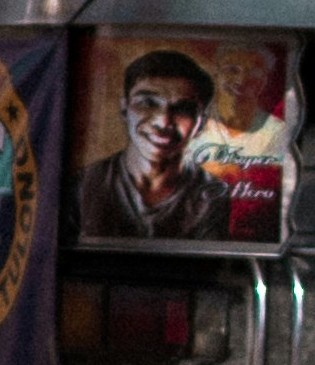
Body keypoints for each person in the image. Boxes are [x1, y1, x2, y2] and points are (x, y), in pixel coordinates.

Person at [83, 45, 224, 240]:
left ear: (201, 123)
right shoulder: (85, 185)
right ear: (125, 109)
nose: (163, 122)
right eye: (147, 103)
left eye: (182, 109)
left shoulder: (210, 195)